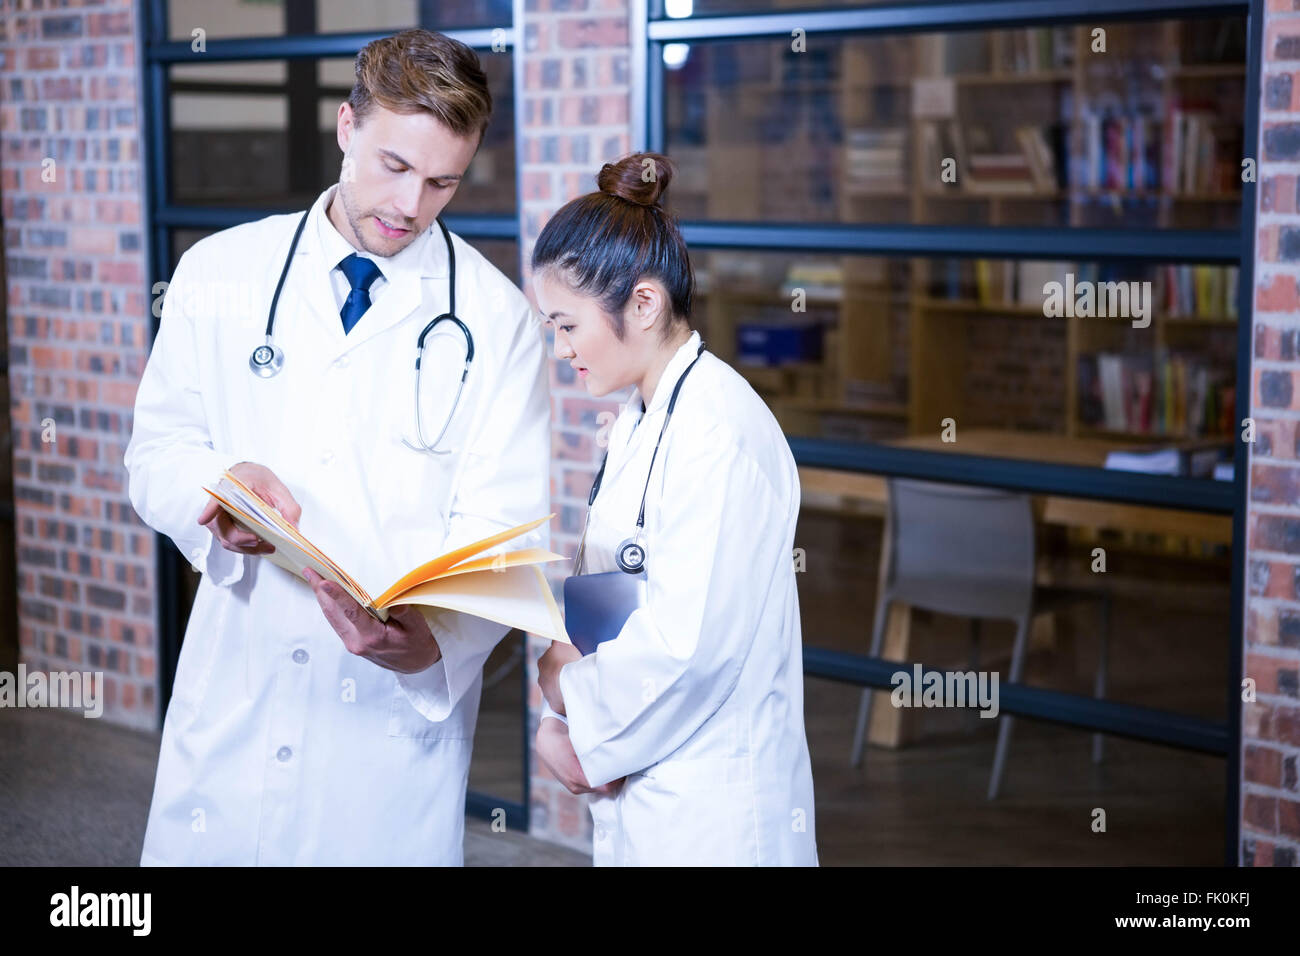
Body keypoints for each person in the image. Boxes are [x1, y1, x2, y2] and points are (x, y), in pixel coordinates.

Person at [124, 29, 550, 865]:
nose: (410, 206)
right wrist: (215, 486)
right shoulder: (220, 273)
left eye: (442, 183)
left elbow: (507, 531)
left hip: (385, 744)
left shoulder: (497, 323)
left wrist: (435, 643)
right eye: (394, 167)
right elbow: (156, 454)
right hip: (235, 707)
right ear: (347, 125)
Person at [532, 153, 819, 866]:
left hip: (715, 809)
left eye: (567, 326)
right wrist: (557, 714)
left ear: (644, 304)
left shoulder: (718, 432)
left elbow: (685, 651)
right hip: (649, 792)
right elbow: (610, 591)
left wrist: (568, 694)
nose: (561, 350)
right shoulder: (640, 419)